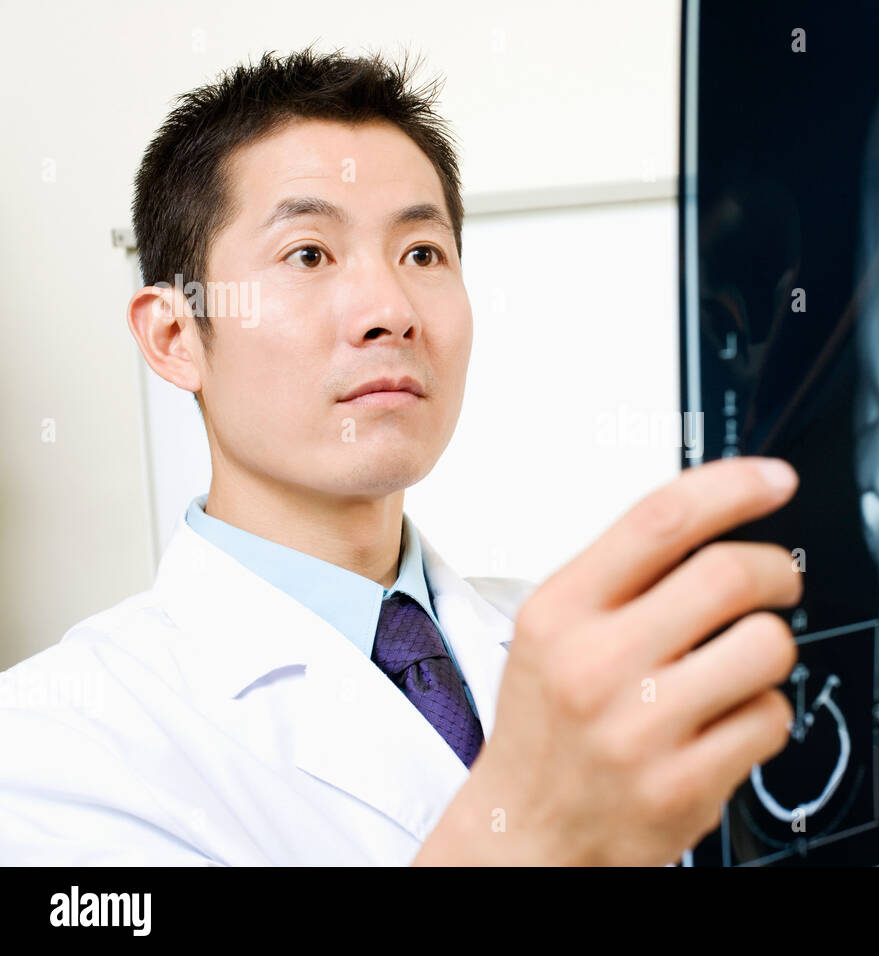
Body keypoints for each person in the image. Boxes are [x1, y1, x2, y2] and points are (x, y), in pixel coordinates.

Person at [0, 49, 801, 866]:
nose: (390, 311)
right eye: (308, 254)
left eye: (423, 253)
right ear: (174, 336)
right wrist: (530, 826)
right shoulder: (53, 745)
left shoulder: (572, 647)